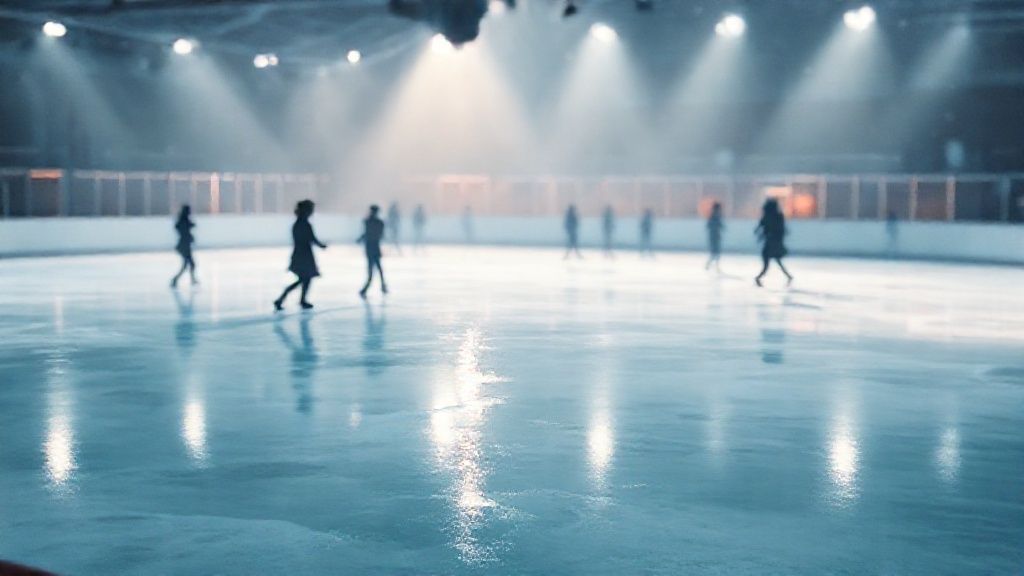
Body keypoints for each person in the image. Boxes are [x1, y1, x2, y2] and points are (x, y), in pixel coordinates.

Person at [274, 200, 327, 311]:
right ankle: (284, 298)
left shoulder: (298, 224)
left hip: (300, 254)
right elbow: (312, 239)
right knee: (304, 279)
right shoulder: (304, 224)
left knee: (305, 279)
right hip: (304, 256)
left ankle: (299, 299)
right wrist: (322, 245)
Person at [754, 198, 793, 287]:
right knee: (775, 258)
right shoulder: (776, 216)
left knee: (769, 257)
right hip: (773, 242)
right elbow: (761, 226)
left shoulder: (773, 216)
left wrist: (762, 234)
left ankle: (761, 274)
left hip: (772, 242)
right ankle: (762, 274)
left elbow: (761, 227)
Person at [358, 204, 388, 298]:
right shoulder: (379, 223)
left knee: (374, 269)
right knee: (377, 268)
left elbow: (367, 233)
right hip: (374, 247)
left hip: (371, 247)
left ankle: (367, 288)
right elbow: (379, 234)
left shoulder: (368, 222)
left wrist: (361, 238)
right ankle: (381, 286)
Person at [170, 205, 198, 287]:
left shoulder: (183, 220)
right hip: (184, 247)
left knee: (190, 264)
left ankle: (190, 280)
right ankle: (176, 279)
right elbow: (189, 227)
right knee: (188, 264)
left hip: (184, 246)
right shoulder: (184, 221)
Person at [705, 202, 725, 271]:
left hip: (716, 236)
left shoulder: (717, 216)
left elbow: (720, 225)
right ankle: (710, 265)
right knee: (714, 252)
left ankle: (715, 266)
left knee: (716, 252)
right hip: (713, 237)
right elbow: (709, 226)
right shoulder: (713, 216)